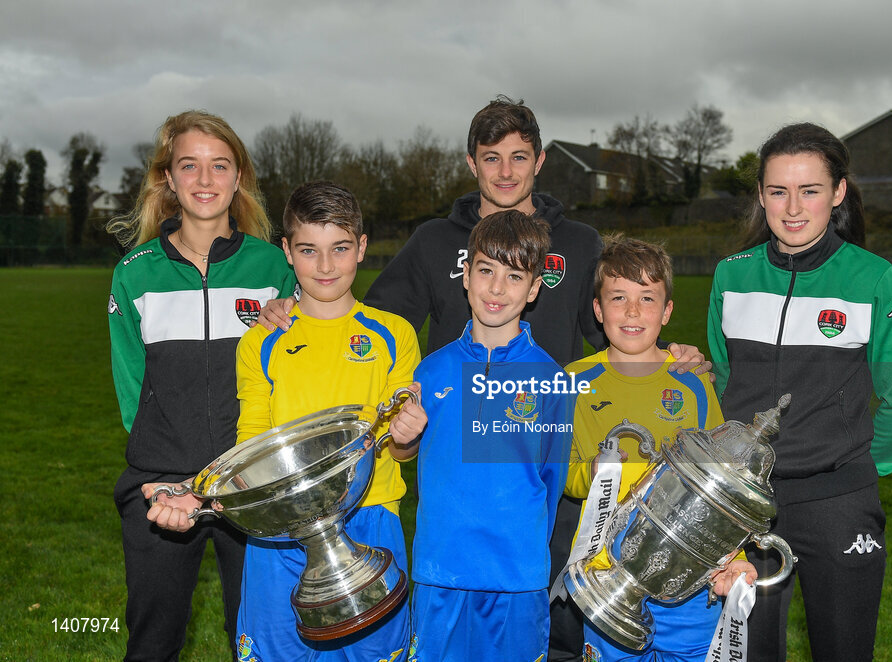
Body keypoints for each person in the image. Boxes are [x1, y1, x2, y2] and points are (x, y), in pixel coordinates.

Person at [257, 96, 709, 661]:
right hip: (447, 525)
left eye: (518, 157)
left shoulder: (579, 247)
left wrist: (668, 356)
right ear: (471, 163)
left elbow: (617, 322)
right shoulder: (431, 271)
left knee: (572, 631)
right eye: (490, 157)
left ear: (539, 161)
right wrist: (292, 306)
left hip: (539, 490)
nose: (505, 171)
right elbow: (358, 317)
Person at [145, 181, 427, 661]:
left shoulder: (393, 334)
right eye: (308, 250)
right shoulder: (259, 342)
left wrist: (407, 436)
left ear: (361, 247)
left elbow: (402, 449)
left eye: (339, 248)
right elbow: (251, 444)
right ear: (287, 252)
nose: (325, 266)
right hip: (277, 536)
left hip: (371, 516)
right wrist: (198, 493)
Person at [706, 123, 892, 662]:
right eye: (778, 191)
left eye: (810, 190)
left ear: (838, 192)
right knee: (748, 656)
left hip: (839, 507)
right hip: (744, 510)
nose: (793, 207)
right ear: (761, 196)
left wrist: (852, 471)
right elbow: (721, 383)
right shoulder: (730, 277)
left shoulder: (874, 279)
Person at [106, 110, 297, 662]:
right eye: (189, 165)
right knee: (153, 643)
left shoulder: (272, 267)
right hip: (162, 485)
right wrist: (163, 464)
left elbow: (289, 372)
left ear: (239, 178)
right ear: (168, 177)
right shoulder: (135, 272)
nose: (206, 179)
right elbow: (131, 384)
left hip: (253, 482)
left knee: (261, 644)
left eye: (220, 165)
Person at [564, 235, 755, 662]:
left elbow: (720, 485)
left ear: (666, 311)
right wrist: (592, 474)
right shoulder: (573, 381)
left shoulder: (692, 380)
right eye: (618, 298)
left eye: (647, 299)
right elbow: (564, 472)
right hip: (607, 572)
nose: (632, 312)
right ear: (597, 309)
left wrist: (732, 558)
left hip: (689, 576)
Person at [408, 210, 573, 661]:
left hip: (515, 575)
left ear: (534, 288)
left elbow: (551, 482)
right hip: (440, 570)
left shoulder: (549, 380)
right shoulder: (432, 370)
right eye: (486, 271)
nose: (497, 289)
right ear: (466, 275)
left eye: (514, 276)